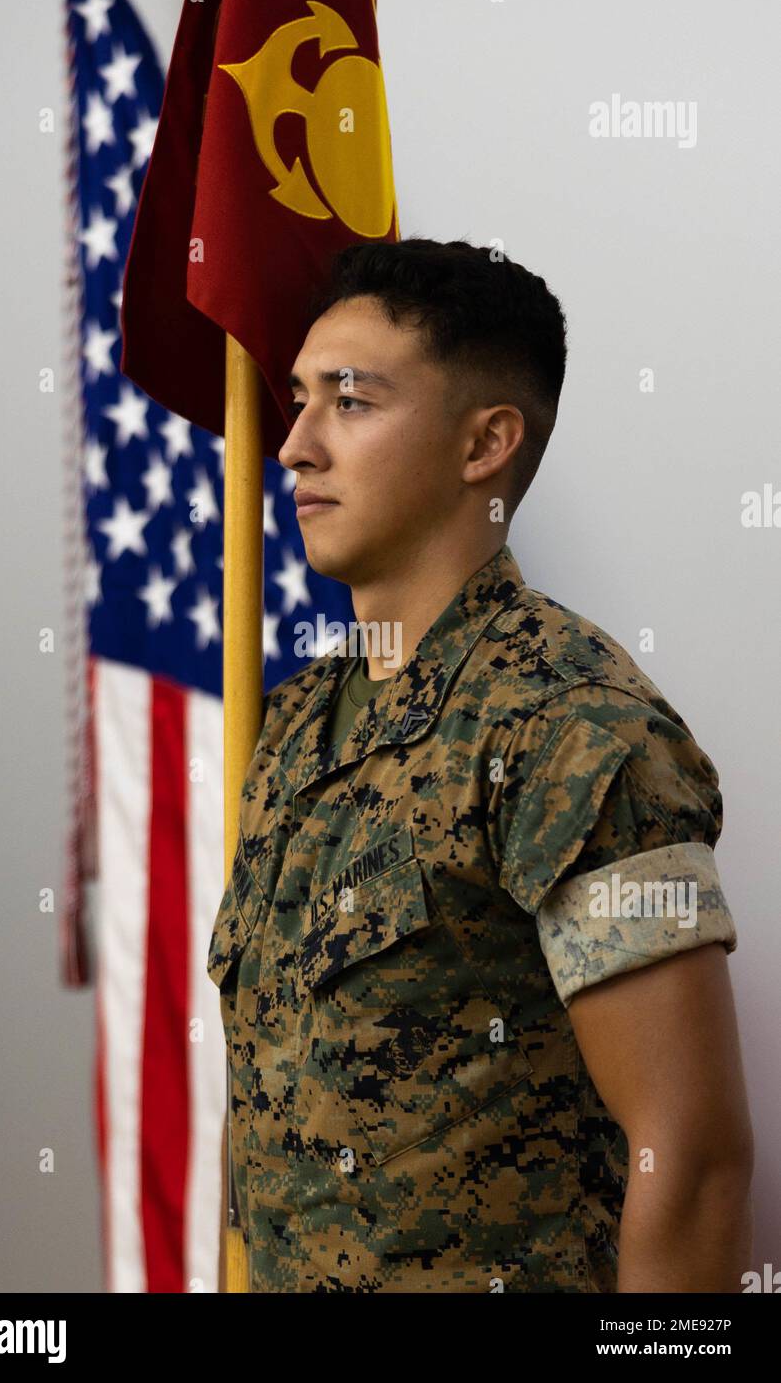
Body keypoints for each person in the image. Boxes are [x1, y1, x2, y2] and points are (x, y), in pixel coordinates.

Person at [208, 237, 753, 1293]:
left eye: (350, 403)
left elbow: (688, 1159)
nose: (294, 447)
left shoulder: (570, 725)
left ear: (482, 445)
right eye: (299, 400)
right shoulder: (295, 726)